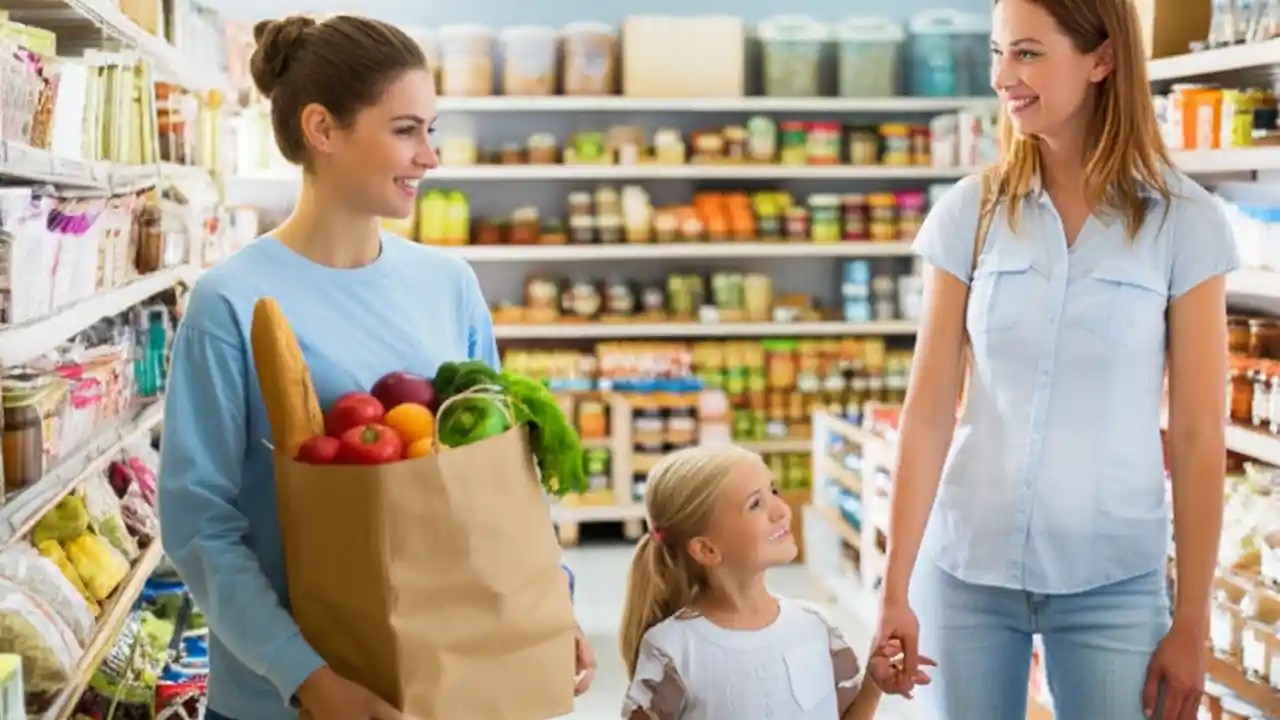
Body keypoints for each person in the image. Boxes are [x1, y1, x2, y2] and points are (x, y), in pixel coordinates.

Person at [158, 14, 595, 720]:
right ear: (323, 129)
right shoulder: (231, 302)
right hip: (282, 701)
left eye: (431, 128)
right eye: (405, 130)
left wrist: (547, 600)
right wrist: (308, 678)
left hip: (446, 682)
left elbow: (502, 481)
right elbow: (199, 526)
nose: (430, 155)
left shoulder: (448, 285)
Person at [870, 0, 1238, 718]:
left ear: (1101, 60)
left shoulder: (1184, 223)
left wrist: (1192, 618)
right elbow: (925, 416)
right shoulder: (968, 214)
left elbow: (1197, 435)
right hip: (966, 571)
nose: (1004, 76)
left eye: (1029, 53)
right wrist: (894, 590)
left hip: (1114, 580)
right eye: (998, 52)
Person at [618, 445, 935, 720]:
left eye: (773, 492)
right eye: (755, 504)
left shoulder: (817, 628)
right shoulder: (672, 651)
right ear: (706, 549)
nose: (782, 511)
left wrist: (872, 686)